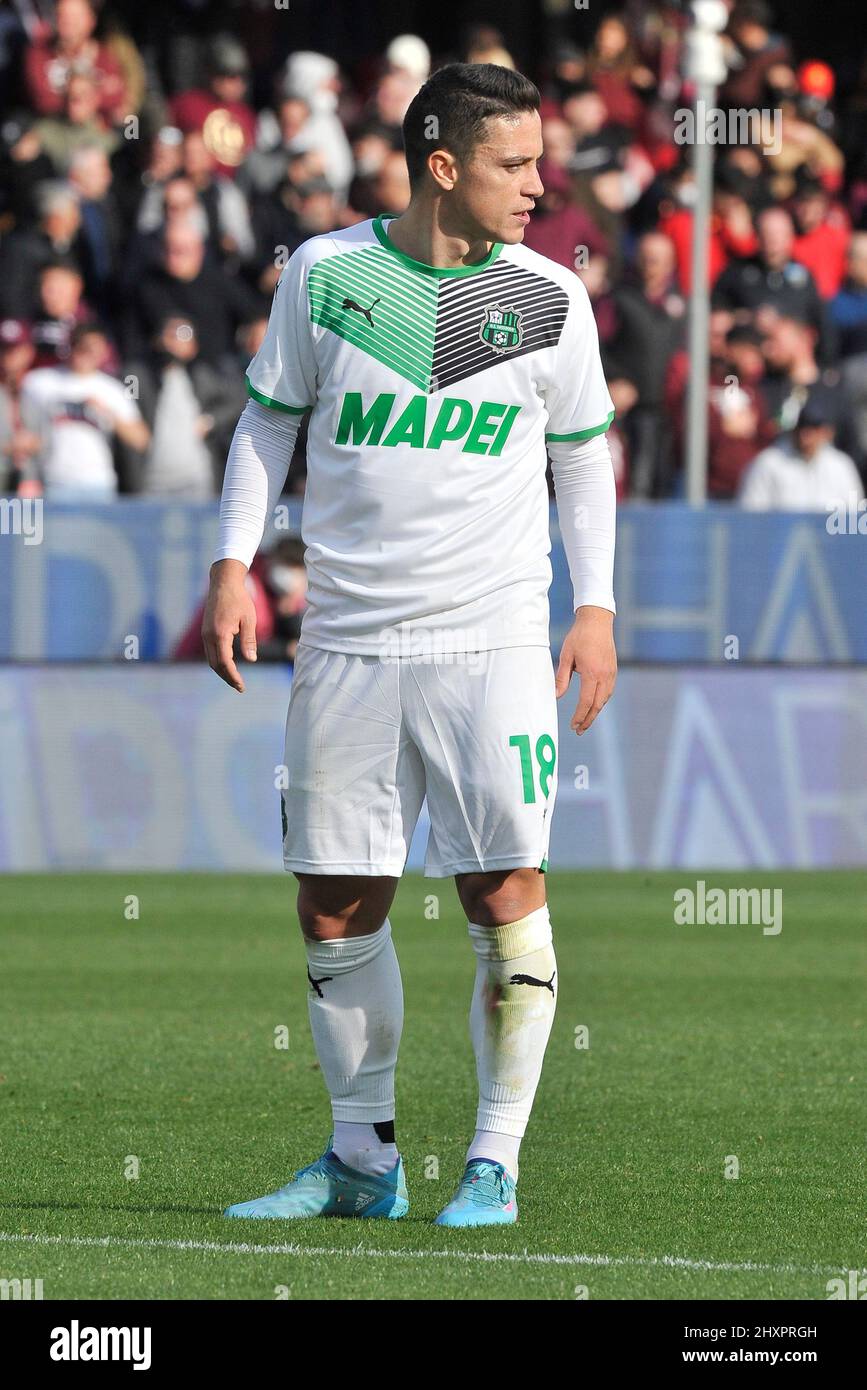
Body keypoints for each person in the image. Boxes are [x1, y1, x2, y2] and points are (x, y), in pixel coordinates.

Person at [202, 63, 617, 1228]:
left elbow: (582, 453)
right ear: (444, 167)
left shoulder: (551, 299)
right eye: (515, 163)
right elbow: (265, 420)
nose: (541, 185)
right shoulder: (326, 277)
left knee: (503, 888)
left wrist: (598, 607)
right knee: (336, 902)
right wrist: (234, 560)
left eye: (540, 161)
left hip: (489, 640)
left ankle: (494, 1160)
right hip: (343, 638)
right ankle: (362, 1159)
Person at [20, 321, 149, 498]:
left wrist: (107, 413)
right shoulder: (39, 382)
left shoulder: (112, 388)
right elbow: (21, 427)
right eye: (82, 346)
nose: (87, 354)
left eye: (94, 349)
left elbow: (141, 439)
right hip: (54, 479)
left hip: (97, 481)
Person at [738, 386, 863, 509]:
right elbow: (751, 515)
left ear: (826, 432)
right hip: (779, 529)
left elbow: (854, 516)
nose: (805, 436)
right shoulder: (768, 463)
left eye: (813, 429)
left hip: (828, 529)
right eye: (801, 428)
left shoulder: (840, 465)